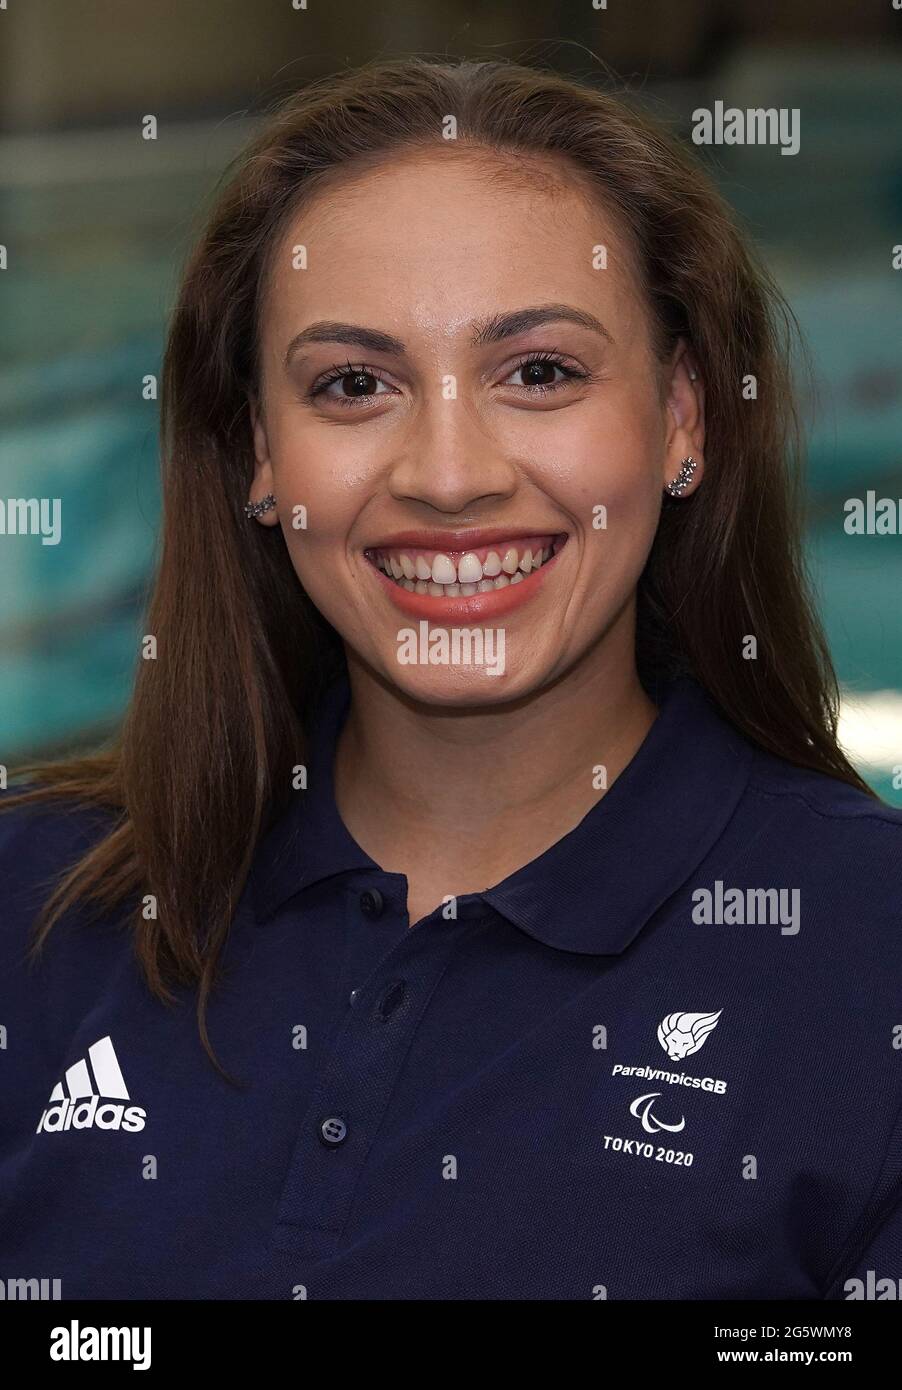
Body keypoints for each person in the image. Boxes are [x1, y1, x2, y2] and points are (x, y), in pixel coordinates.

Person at [1, 57, 899, 1301]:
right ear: (262, 450)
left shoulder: (866, 955)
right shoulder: (34, 908)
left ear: (683, 414)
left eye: (538, 371)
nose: (447, 472)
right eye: (353, 384)